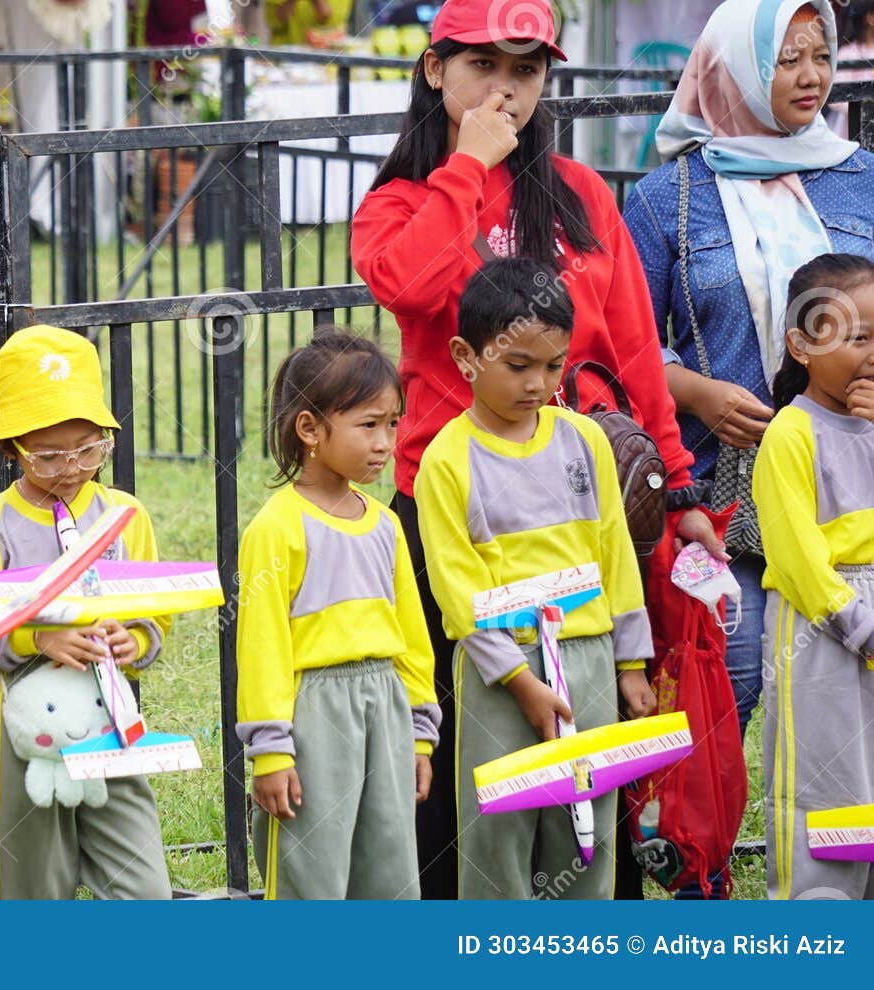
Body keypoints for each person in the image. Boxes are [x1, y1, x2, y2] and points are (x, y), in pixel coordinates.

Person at [350, 0, 714, 900]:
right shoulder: (401, 200)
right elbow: (407, 284)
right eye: (486, 66)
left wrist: (675, 489)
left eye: (529, 70)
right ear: (436, 70)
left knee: (588, 716)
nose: (508, 90)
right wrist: (469, 165)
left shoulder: (583, 195)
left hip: (578, 494)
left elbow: (632, 346)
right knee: (467, 722)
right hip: (452, 503)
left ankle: (591, 914)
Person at [626, 0, 874, 747]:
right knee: (726, 687)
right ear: (735, 64)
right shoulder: (666, 196)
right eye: (785, 60)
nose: (811, 78)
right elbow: (622, 339)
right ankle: (701, 859)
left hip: (850, 484)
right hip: (719, 492)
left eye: (821, 56)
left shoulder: (861, 179)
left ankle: (834, 858)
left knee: (847, 695)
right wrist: (695, 390)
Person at [416, 259, 657, 900]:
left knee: (589, 825)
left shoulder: (584, 440)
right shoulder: (446, 459)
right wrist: (520, 680)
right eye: (517, 365)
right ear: (466, 357)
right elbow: (458, 592)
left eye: (553, 366)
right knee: (500, 828)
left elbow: (615, 555)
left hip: (590, 659)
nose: (538, 383)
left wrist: (630, 664)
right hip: (504, 670)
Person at [0, 324, 171, 899]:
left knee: (141, 887)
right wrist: (37, 639)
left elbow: (154, 611)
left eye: (89, 449)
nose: (72, 468)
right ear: (10, 450)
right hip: (20, 723)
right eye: (48, 456)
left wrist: (139, 642)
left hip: (109, 720)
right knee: (34, 882)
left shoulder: (126, 515)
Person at [236, 330, 438, 900]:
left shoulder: (387, 525)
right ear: (309, 430)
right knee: (313, 873)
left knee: (389, 868)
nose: (385, 442)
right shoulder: (275, 529)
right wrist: (272, 751)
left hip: (387, 712)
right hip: (314, 717)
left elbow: (413, 641)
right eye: (368, 424)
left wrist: (419, 737)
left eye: (393, 424)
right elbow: (262, 650)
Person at [754, 253, 874, 901]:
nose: (872, 352)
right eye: (858, 337)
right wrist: (863, 627)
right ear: (802, 344)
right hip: (823, 633)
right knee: (824, 790)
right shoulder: (792, 434)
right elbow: (799, 559)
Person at [831, 0, 874, 137]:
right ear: (870, 18)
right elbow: (836, 95)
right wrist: (863, 110)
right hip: (850, 126)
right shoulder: (847, 53)